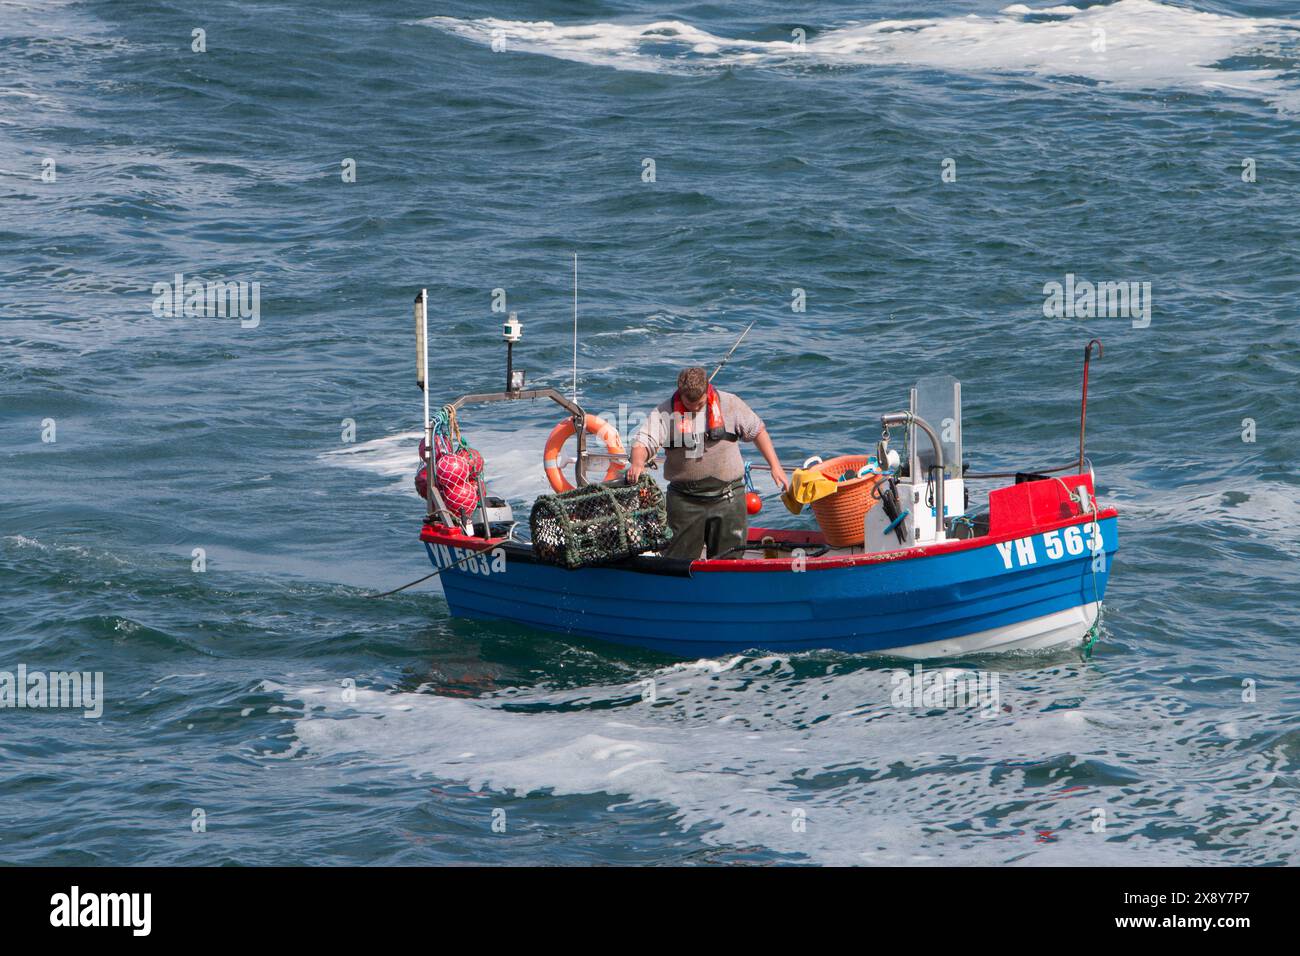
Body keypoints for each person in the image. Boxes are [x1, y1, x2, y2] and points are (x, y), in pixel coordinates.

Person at [628, 366, 788, 560]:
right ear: (681, 393)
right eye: (689, 403)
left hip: (728, 496)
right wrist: (637, 462)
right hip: (684, 499)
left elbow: (757, 431)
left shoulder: (730, 403)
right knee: (677, 561)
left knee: (731, 559)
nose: (695, 408)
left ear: (707, 390)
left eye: (700, 403)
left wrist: (775, 465)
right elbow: (643, 441)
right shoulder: (664, 411)